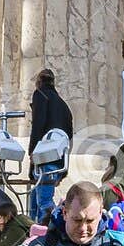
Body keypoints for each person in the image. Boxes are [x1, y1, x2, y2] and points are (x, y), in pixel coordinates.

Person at [28, 68, 73, 220]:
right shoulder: (64, 105)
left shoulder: (40, 95)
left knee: (44, 203)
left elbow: (38, 126)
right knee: (35, 199)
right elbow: (69, 137)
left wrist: (31, 153)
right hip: (59, 159)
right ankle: (32, 233)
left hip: (44, 158)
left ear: (39, 82)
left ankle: (49, 232)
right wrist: (64, 170)